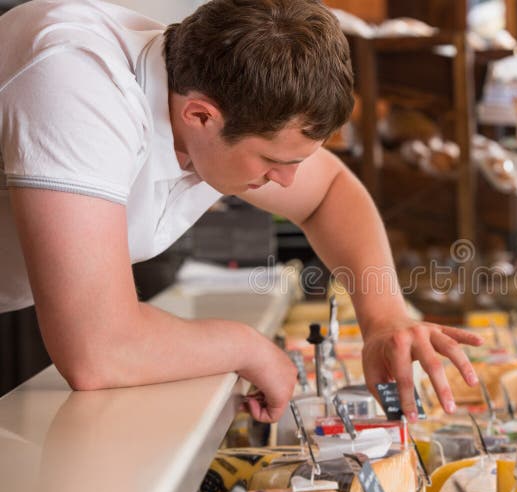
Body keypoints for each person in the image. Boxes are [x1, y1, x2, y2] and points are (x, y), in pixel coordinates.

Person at [0, 0, 482, 420]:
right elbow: (98, 350)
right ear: (201, 116)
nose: (288, 181)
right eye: (273, 161)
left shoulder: (208, 99)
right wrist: (249, 348)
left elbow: (330, 191)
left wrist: (385, 316)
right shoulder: (76, 82)